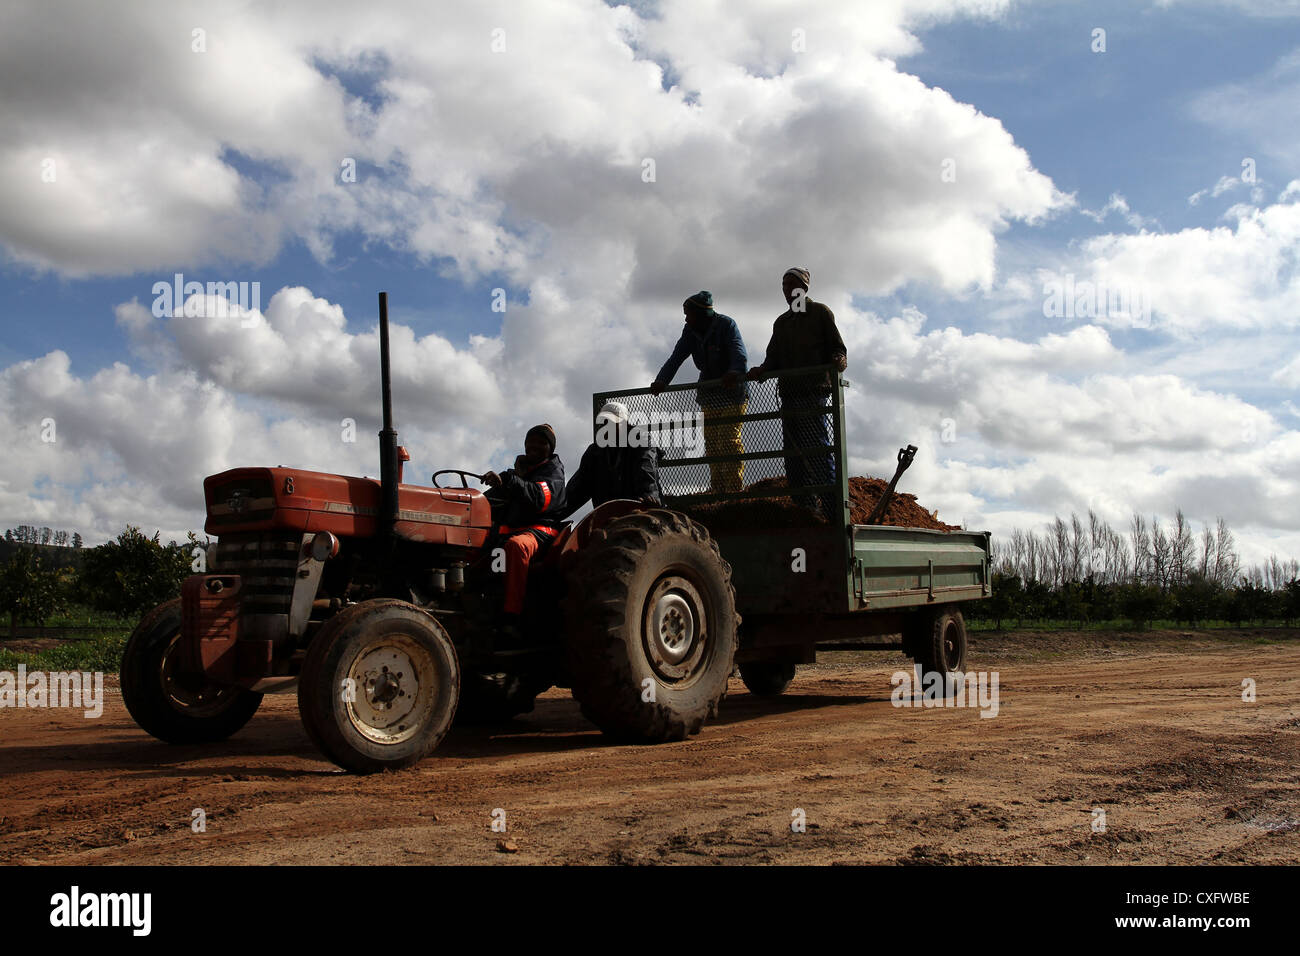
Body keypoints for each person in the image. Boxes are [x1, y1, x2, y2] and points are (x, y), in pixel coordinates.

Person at [747, 267, 847, 512]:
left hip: (814, 392)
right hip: (789, 395)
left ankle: (833, 509)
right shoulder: (782, 323)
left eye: (792, 284)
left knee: (818, 451)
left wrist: (838, 361)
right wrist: (761, 370)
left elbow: (838, 348)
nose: (787, 290)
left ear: (804, 287)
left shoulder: (820, 313)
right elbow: (773, 358)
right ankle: (805, 507)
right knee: (793, 454)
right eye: (784, 285)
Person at [650, 291, 749, 493]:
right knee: (712, 443)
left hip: (732, 392)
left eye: (689, 314)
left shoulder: (726, 325)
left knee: (728, 440)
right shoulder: (690, 331)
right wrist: (661, 380)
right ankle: (718, 489)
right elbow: (676, 357)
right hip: (709, 392)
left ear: (702, 313)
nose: (686, 319)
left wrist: (734, 372)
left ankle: (735, 490)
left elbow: (739, 352)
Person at [481, 424, 566, 629]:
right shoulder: (515, 474)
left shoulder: (553, 474)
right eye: (531, 440)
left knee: (516, 546)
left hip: (540, 532)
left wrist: (509, 481)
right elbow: (490, 501)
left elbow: (538, 499)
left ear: (550, 448)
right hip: (509, 531)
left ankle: (511, 617)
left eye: (541, 442)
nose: (534, 445)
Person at [559, 402, 663, 519]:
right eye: (603, 422)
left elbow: (645, 470)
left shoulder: (640, 441)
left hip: (637, 509)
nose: (607, 426)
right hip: (607, 515)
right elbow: (579, 487)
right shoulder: (595, 452)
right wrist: (554, 515)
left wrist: (649, 499)